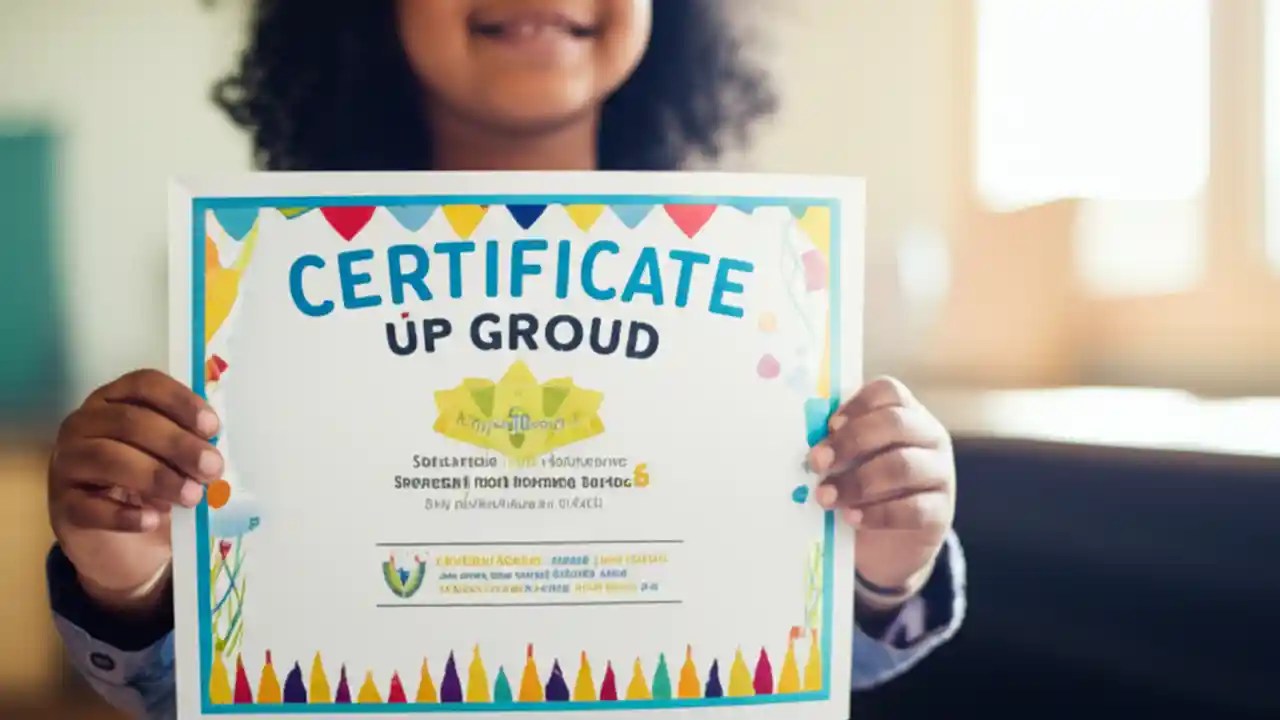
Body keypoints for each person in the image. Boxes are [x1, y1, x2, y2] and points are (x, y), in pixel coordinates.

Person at [44, 1, 966, 717]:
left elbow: (802, 663)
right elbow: (202, 682)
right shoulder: (260, 310)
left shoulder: (763, 303)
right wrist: (133, 586)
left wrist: (883, 572)